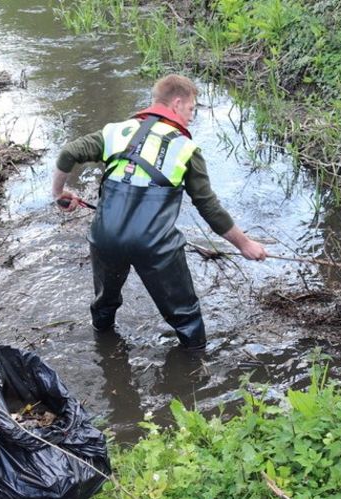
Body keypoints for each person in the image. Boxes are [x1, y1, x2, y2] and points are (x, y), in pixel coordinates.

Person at [51, 74, 267, 351]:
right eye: (191, 109)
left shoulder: (116, 131)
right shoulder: (185, 148)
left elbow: (68, 153)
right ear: (177, 104)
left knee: (105, 304)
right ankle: (193, 371)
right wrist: (245, 244)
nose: (191, 117)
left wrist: (59, 194)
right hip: (154, 245)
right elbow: (208, 206)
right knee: (185, 315)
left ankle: (104, 352)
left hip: (105, 238)